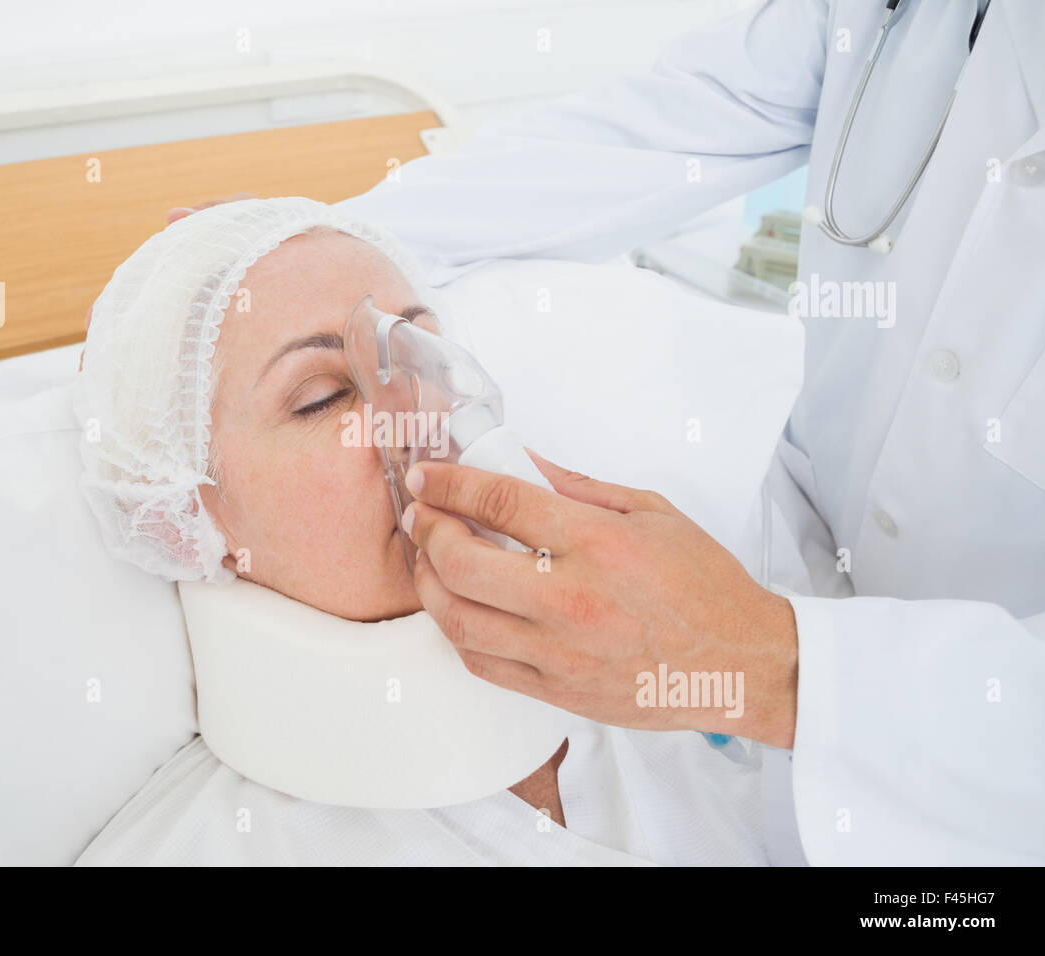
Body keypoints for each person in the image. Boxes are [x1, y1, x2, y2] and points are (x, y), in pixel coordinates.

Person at [319, 0, 1045, 865]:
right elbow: (659, 126)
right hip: (814, 588)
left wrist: (767, 664)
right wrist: (313, 234)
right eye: (318, 393)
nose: (407, 422)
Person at [73, 196, 769, 865]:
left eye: (426, 353)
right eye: (321, 395)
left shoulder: (696, 679)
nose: (424, 411)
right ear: (180, 512)